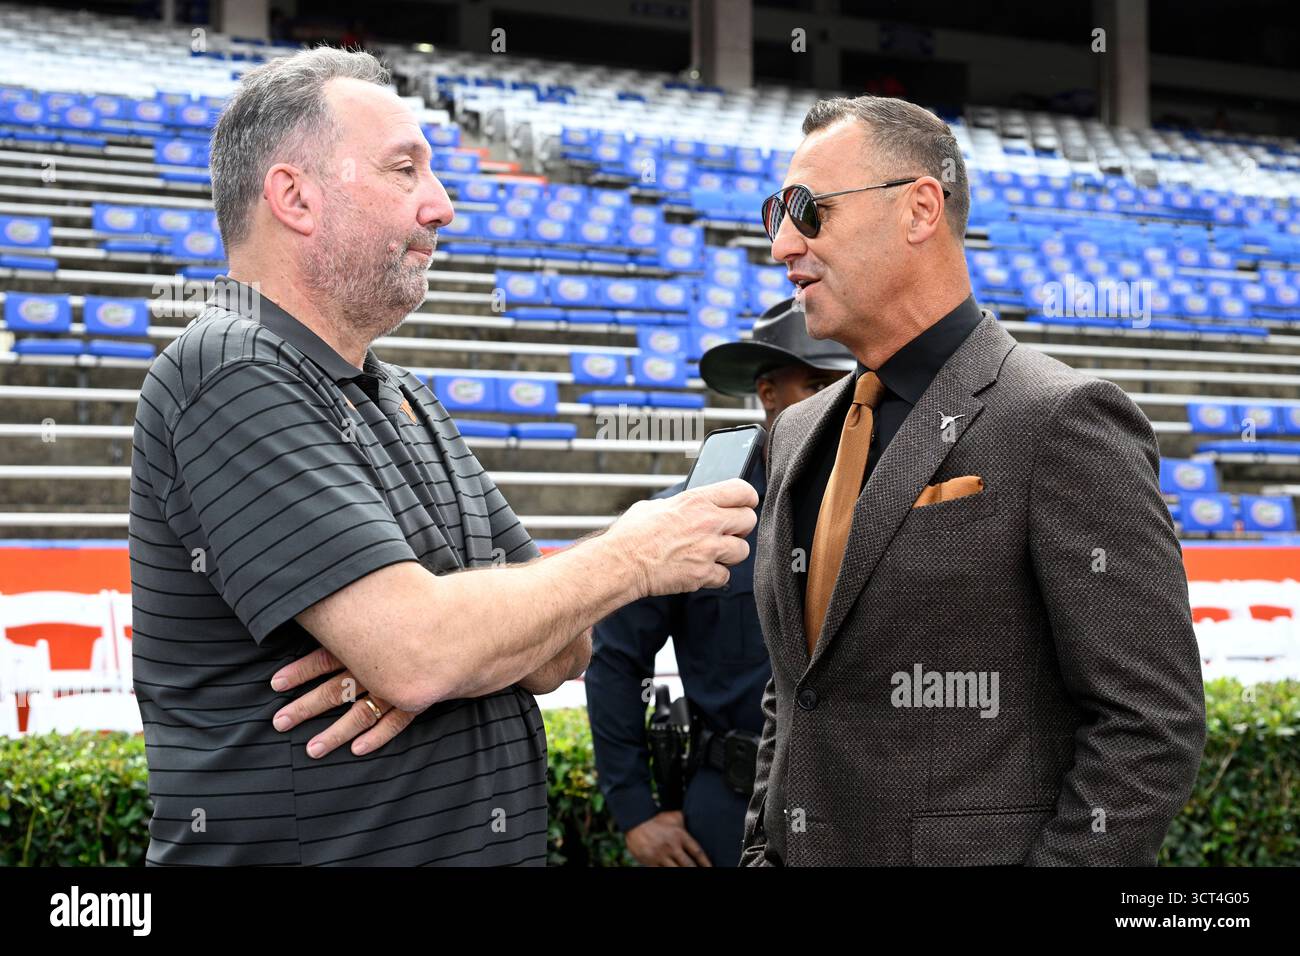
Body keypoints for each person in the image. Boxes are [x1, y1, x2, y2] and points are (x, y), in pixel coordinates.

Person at [128, 47, 756, 866]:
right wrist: (626, 559)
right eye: (405, 170)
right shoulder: (228, 371)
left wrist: (434, 645)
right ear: (294, 196)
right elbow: (423, 652)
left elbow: (562, 654)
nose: (443, 206)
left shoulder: (405, 396)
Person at [741, 95, 1206, 866]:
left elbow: (1150, 724)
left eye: (808, 210)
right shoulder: (793, 433)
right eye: (774, 214)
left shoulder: (1061, 419)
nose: (783, 243)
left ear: (920, 208)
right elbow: (796, 692)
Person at [586, 297, 853, 867]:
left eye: (846, 384)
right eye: (814, 384)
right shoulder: (689, 520)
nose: (834, 402)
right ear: (767, 393)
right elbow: (615, 658)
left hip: (860, 809)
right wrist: (634, 809)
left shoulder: (885, 506)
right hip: (727, 810)